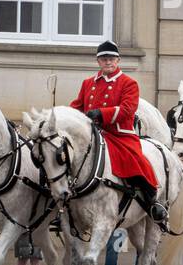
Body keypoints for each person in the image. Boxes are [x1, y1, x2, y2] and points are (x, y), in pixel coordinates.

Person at [70, 40, 165, 221]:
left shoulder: (129, 83)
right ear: (98, 61)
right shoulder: (88, 83)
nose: (108, 62)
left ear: (118, 60)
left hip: (118, 134)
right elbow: (77, 106)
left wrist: (101, 113)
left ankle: (151, 199)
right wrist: (63, 117)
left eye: (111, 59)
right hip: (92, 134)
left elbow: (127, 110)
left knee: (135, 160)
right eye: (104, 59)